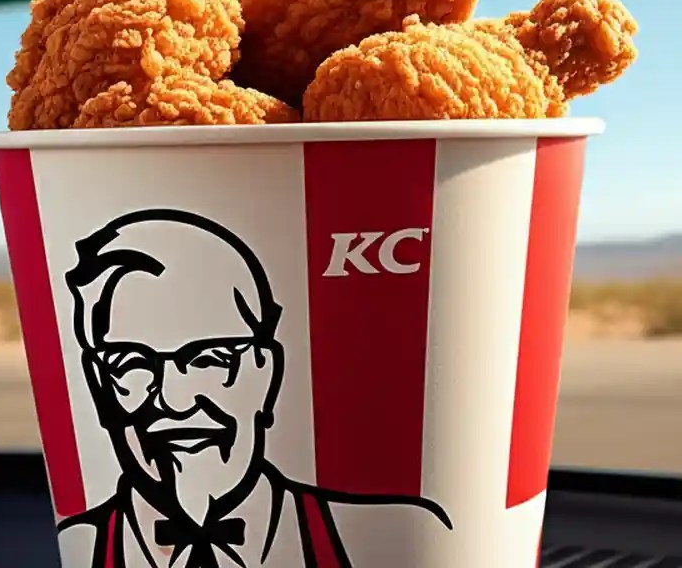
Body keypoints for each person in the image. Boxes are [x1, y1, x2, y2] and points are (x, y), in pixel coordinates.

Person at [56, 209, 450, 568]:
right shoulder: (80, 544)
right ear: (99, 386)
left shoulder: (395, 535)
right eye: (133, 364)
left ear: (265, 373)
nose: (174, 400)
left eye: (211, 358)